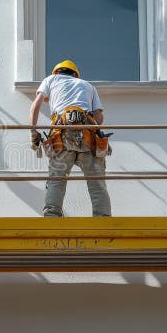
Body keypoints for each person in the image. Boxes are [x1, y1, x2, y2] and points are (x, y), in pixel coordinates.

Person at [29, 59, 111, 217]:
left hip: (62, 136)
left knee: (57, 181)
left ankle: (52, 217)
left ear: (58, 72)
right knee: (97, 184)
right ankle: (103, 220)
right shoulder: (88, 85)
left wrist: (33, 131)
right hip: (88, 136)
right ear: (75, 74)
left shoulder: (51, 79)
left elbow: (36, 104)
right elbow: (99, 118)